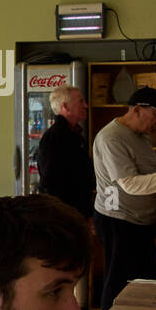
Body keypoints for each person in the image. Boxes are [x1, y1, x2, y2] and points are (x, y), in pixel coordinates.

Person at [92, 86, 156, 310]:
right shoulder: (111, 138)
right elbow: (129, 183)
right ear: (137, 110)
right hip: (119, 220)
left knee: (150, 283)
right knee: (119, 284)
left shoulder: (140, 136)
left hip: (141, 221)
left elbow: (148, 167)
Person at [37, 85, 94, 218]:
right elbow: (51, 182)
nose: (86, 105)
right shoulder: (55, 137)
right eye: (80, 102)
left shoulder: (73, 133)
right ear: (65, 107)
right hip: (64, 214)